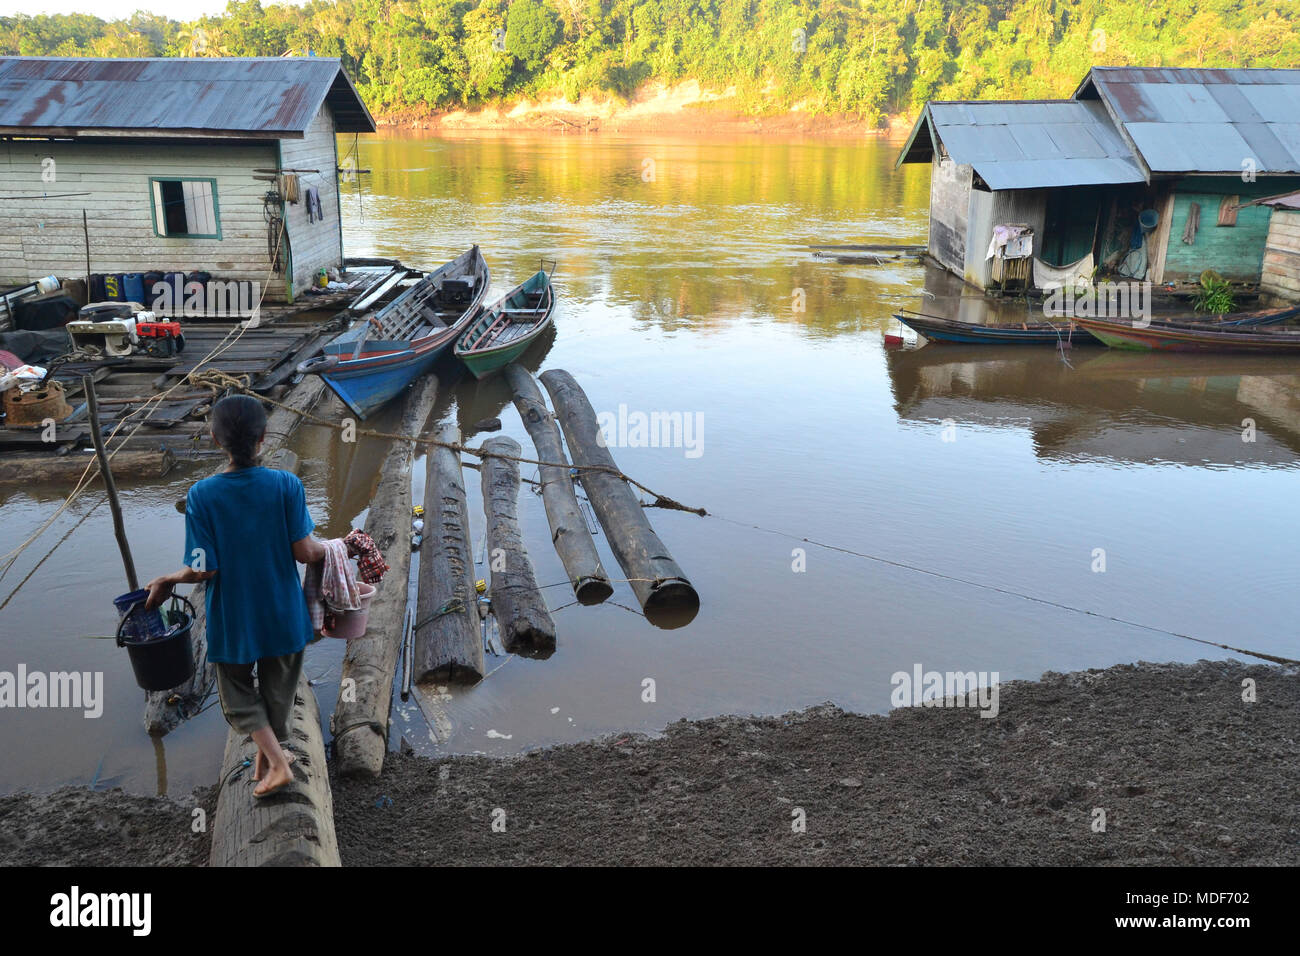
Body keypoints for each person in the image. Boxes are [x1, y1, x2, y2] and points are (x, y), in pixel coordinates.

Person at [145, 395, 325, 797]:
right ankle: (274, 759)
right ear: (263, 438)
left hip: (234, 618)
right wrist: (341, 547)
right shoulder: (286, 485)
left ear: (214, 439)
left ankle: (276, 763)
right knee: (279, 693)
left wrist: (169, 578)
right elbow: (306, 552)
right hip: (281, 614)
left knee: (239, 697)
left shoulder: (202, 496)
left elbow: (203, 568)